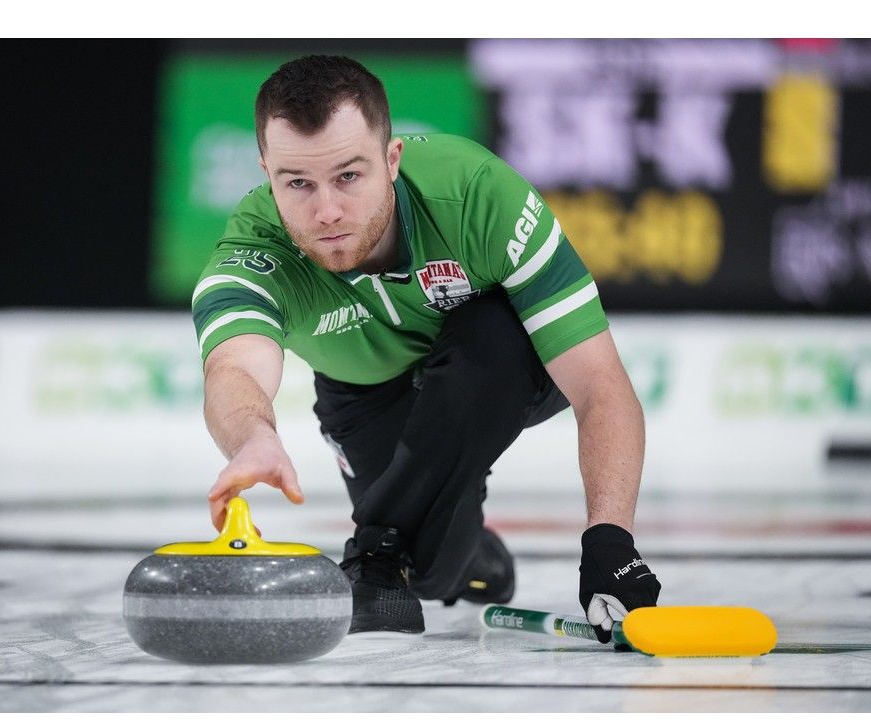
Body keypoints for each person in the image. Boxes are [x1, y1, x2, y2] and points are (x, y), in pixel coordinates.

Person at [193, 55, 661, 638]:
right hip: (363, 391)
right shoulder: (254, 251)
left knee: (487, 346)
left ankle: (378, 548)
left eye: (348, 176)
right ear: (267, 174)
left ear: (392, 159)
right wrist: (255, 437)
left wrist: (610, 539)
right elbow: (234, 366)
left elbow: (599, 383)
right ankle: (474, 557)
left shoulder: (480, 196)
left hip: (499, 364)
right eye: (298, 184)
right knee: (432, 570)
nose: (327, 211)